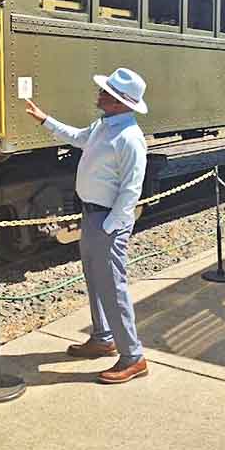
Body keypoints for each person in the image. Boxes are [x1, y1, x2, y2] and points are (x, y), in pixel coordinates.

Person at [25, 68, 149, 384]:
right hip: (92, 216)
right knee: (95, 280)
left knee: (113, 287)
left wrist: (110, 226)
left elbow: (131, 190)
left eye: (107, 92)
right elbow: (77, 137)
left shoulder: (130, 138)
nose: (100, 94)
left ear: (121, 102)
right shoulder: (104, 126)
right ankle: (103, 337)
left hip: (106, 220)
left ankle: (133, 357)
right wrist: (45, 120)